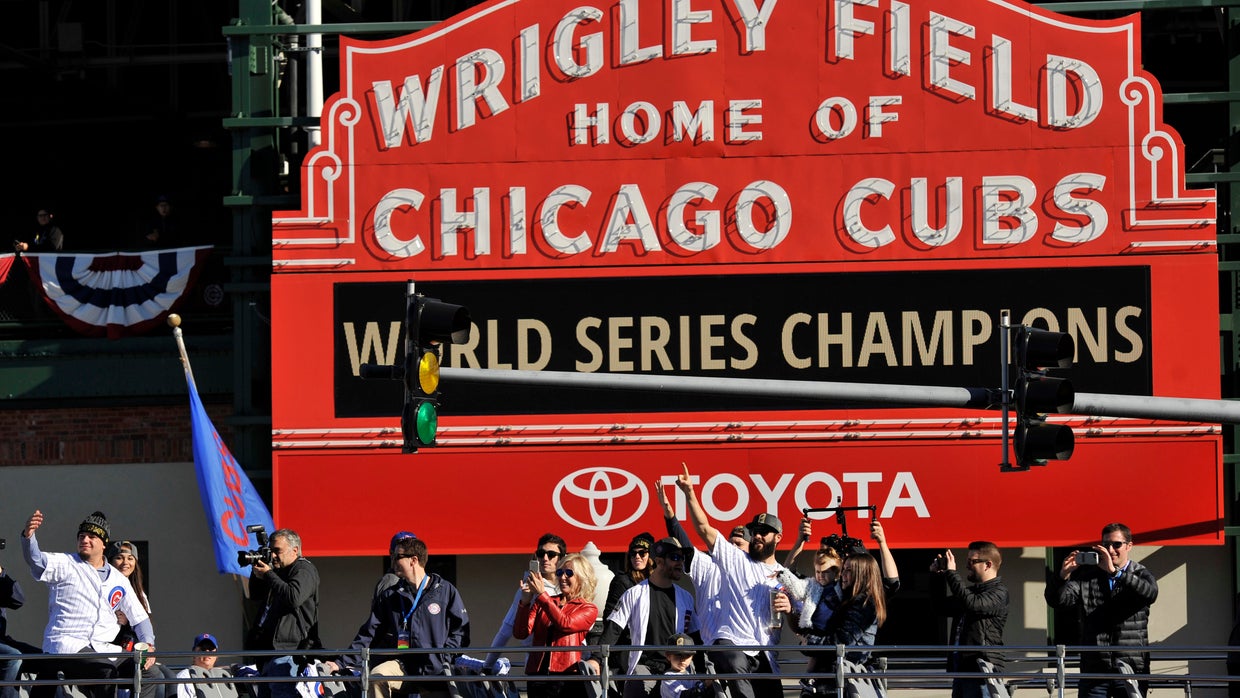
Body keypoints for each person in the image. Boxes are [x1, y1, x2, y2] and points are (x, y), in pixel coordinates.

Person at [675, 465, 789, 698]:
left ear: (777, 538)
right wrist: (689, 494)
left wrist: (789, 609)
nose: (757, 535)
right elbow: (704, 528)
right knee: (736, 666)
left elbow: (800, 621)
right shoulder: (737, 559)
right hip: (732, 643)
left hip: (764, 653)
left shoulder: (784, 575)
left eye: (764, 531)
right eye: (755, 530)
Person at [20, 509, 157, 698]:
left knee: (150, 672)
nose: (85, 540)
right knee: (104, 671)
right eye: (81, 536)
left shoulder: (118, 579)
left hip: (102, 647)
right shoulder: (65, 563)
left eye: (92, 536)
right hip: (67, 647)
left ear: (104, 544)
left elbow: (140, 618)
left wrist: (148, 644)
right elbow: (36, 560)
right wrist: (29, 537)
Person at [328, 536, 469, 698]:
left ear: (413, 560)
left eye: (397, 557)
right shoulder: (391, 596)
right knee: (377, 677)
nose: (392, 560)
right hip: (406, 666)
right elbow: (369, 634)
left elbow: (461, 632)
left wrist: (444, 656)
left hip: (437, 670)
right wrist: (340, 662)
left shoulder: (445, 591)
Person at [1045, 523, 1159, 698]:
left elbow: (1150, 593)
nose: (1111, 550)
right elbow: (1057, 601)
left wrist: (1116, 574)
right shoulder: (1088, 577)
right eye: (1105, 545)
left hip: (1130, 668)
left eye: (1116, 544)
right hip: (1095, 669)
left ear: (1129, 546)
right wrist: (1062, 576)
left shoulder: (1139, 573)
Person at [597, 537, 699, 698]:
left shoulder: (686, 596)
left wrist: (704, 669)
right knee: (636, 684)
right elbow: (613, 629)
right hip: (645, 667)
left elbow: (695, 637)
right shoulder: (634, 593)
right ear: (659, 561)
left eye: (682, 558)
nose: (680, 563)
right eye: (674, 558)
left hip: (678, 666)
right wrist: (596, 659)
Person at [792, 553, 887, 697]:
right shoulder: (847, 598)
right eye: (843, 569)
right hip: (833, 677)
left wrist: (809, 642)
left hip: (840, 678)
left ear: (862, 574)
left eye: (849, 570)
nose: (843, 574)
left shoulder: (864, 603)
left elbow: (841, 641)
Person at [245, 528, 321, 698]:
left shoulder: (304, 569)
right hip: (267, 653)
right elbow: (255, 595)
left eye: (277, 551)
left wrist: (269, 575)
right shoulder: (277, 572)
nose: (272, 556)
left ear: (295, 550)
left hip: (289, 651)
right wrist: (257, 570)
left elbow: (293, 597)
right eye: (270, 551)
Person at [514, 552, 599, 698]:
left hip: (567, 675)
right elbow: (520, 633)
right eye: (559, 572)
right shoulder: (546, 601)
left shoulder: (588, 608)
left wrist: (541, 595)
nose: (563, 577)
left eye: (569, 573)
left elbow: (565, 623)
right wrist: (524, 603)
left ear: (582, 577)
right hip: (537, 674)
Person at [930, 542, 1009, 698]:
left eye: (971, 562)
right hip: (962, 668)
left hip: (982, 669)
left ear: (988, 564)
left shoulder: (999, 592)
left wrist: (952, 573)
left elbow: (973, 604)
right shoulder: (970, 593)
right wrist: (937, 575)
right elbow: (940, 607)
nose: (967, 566)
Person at [485, 533, 567, 670]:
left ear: (562, 558)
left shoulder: (567, 584)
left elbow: (575, 629)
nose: (545, 558)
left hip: (567, 662)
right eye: (541, 553)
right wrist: (487, 666)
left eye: (551, 554)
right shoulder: (528, 588)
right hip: (538, 662)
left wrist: (592, 659)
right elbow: (506, 629)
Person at [108, 540, 174, 698]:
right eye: (119, 558)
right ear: (109, 561)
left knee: (169, 676)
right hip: (112, 649)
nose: (125, 562)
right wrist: (117, 621)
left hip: (136, 650)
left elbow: (145, 624)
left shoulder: (139, 593)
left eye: (130, 558)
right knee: (153, 675)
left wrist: (149, 649)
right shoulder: (105, 584)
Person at [1, 548, 41, 698]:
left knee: (47, 659)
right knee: (13, 657)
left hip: (2, 641)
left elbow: (17, 600)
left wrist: (0, 573)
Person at [175, 633, 238, 698]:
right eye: (203, 648)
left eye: (211, 648)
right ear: (193, 653)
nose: (207, 651)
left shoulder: (223, 676)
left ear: (216, 655)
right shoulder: (185, 676)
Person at [659, 634, 713, 698]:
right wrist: (705, 685)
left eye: (687, 655)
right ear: (668, 656)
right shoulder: (668, 677)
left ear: (692, 657)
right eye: (678, 655)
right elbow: (683, 695)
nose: (683, 659)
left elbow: (701, 691)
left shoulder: (690, 676)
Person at [372, 531, 416, 604]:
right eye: (403, 555)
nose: (410, 558)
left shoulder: (410, 580)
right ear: (392, 553)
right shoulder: (392, 580)